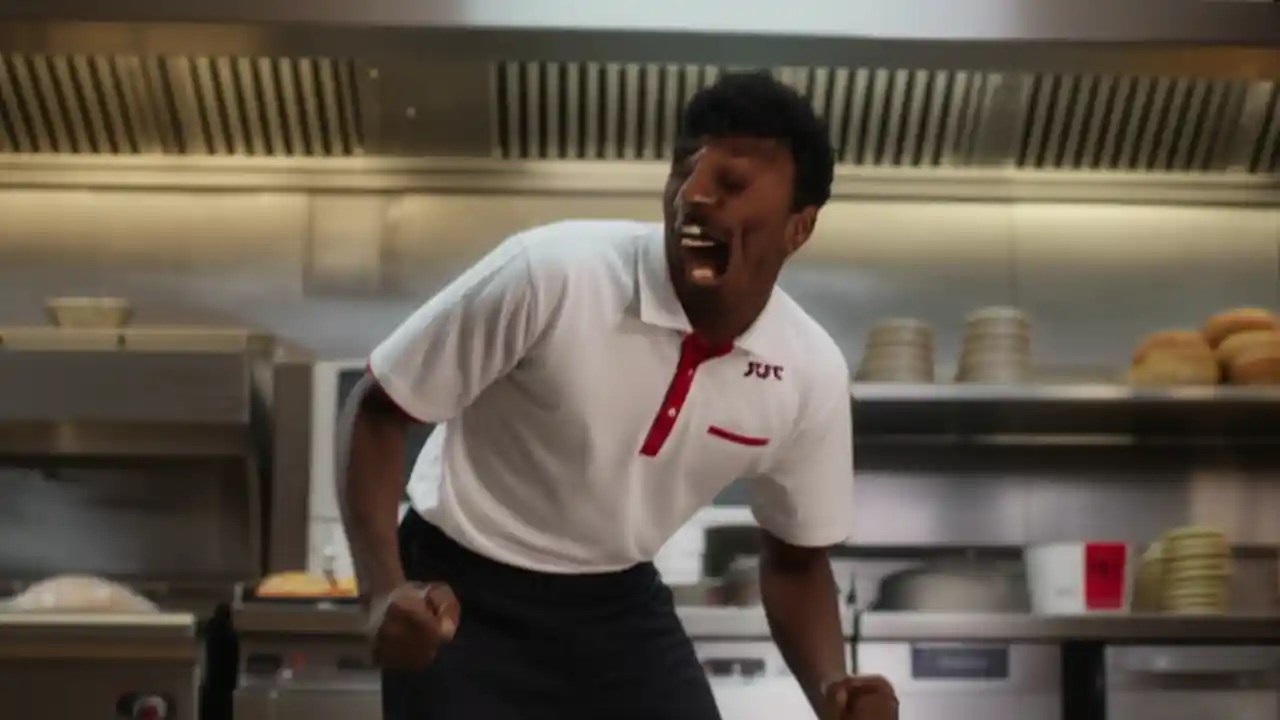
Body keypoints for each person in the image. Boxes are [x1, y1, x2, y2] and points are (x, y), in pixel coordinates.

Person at [337, 70, 897, 720]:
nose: (693, 195)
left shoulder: (809, 373)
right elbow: (376, 410)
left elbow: (796, 564)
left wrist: (830, 688)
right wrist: (383, 592)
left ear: (798, 228)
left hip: (615, 600)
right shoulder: (551, 274)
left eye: (731, 183)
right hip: (460, 586)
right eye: (684, 169)